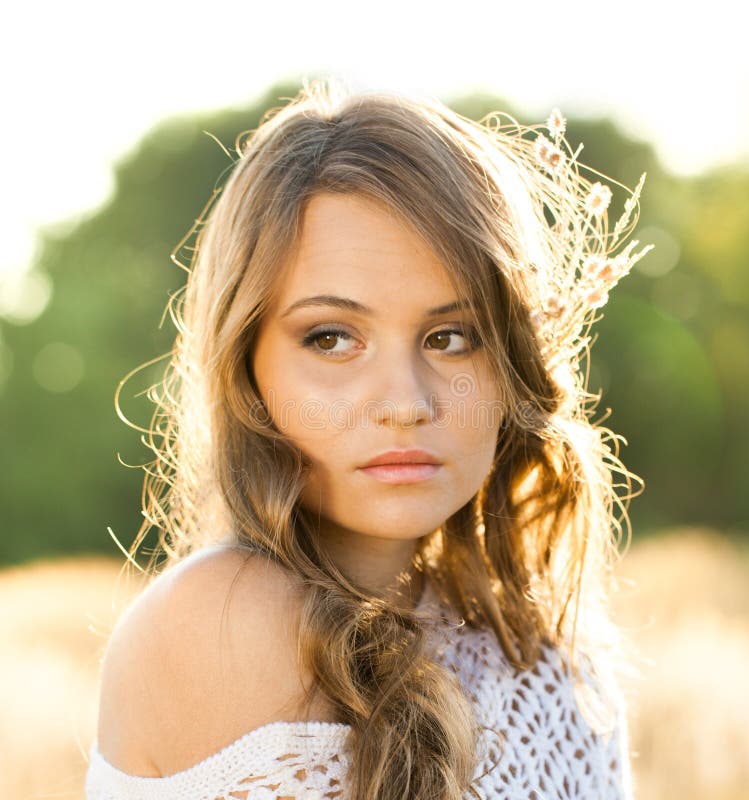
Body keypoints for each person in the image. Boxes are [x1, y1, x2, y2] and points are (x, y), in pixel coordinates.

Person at [84, 76, 653, 799]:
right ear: (248, 370)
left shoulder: (556, 660)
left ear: (513, 363)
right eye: (331, 338)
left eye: (452, 337)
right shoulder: (221, 622)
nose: (405, 404)